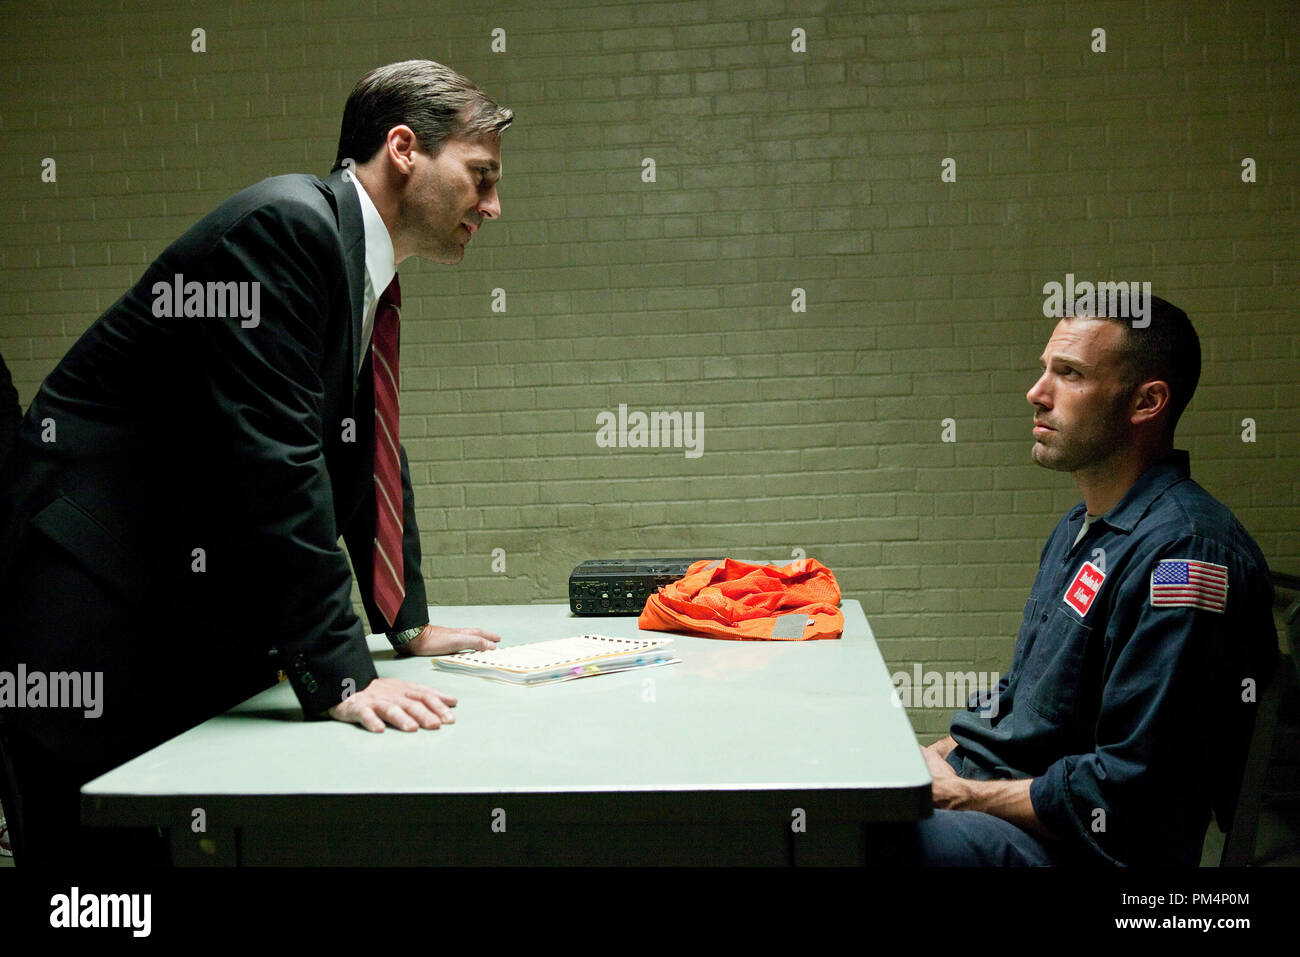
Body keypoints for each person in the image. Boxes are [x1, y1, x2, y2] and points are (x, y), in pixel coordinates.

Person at [0, 60, 510, 865]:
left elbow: (364, 450)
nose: (492, 205)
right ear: (404, 148)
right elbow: (277, 455)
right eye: (480, 177)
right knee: (95, 873)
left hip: (165, 594)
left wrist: (405, 623)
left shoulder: (353, 268)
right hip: (86, 593)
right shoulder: (284, 228)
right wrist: (345, 674)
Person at [891, 295, 1277, 865]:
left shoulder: (1187, 555)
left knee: (868, 840)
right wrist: (934, 753)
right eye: (1046, 368)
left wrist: (958, 796)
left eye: (1069, 374)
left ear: (1147, 402)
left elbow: (1132, 792)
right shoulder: (1083, 527)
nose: (1037, 392)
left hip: (1082, 851)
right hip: (1008, 805)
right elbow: (1023, 703)